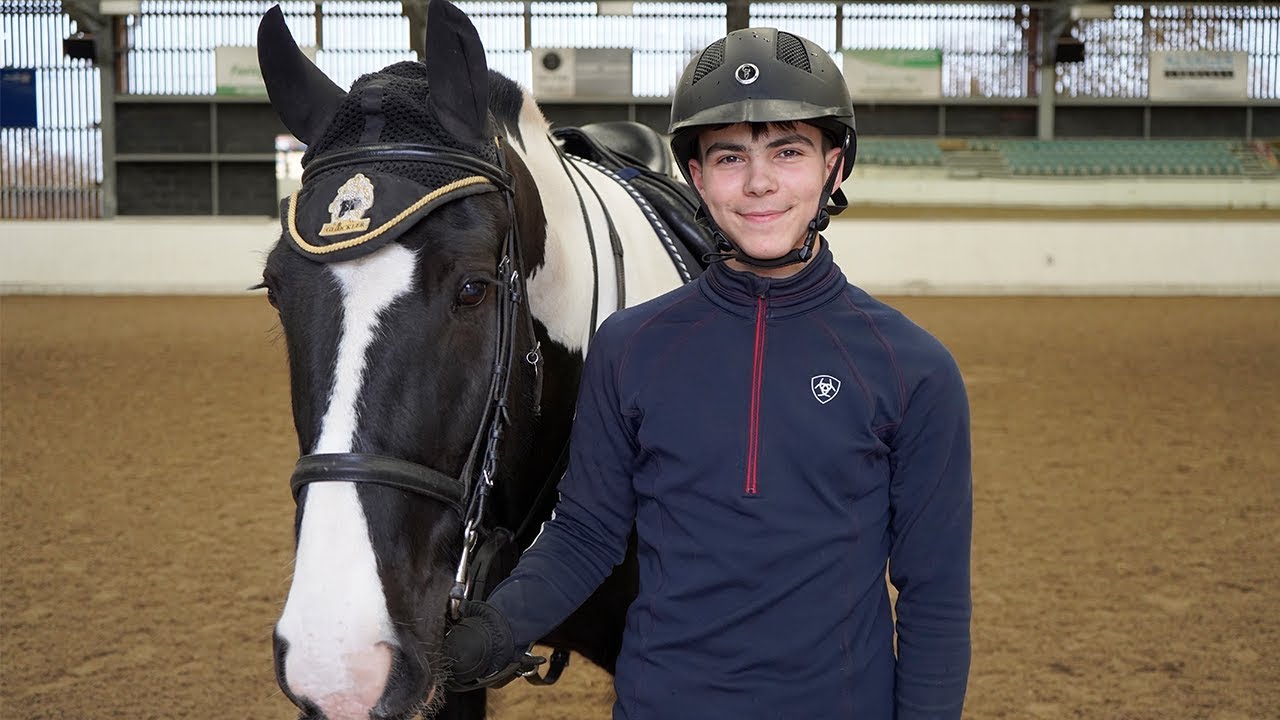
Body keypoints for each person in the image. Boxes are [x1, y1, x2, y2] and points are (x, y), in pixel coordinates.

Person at [445, 27, 972, 719]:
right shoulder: (629, 347)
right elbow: (585, 535)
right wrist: (484, 636)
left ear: (833, 168)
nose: (758, 182)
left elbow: (933, 592)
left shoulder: (914, 368)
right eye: (730, 156)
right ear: (696, 175)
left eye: (788, 151)